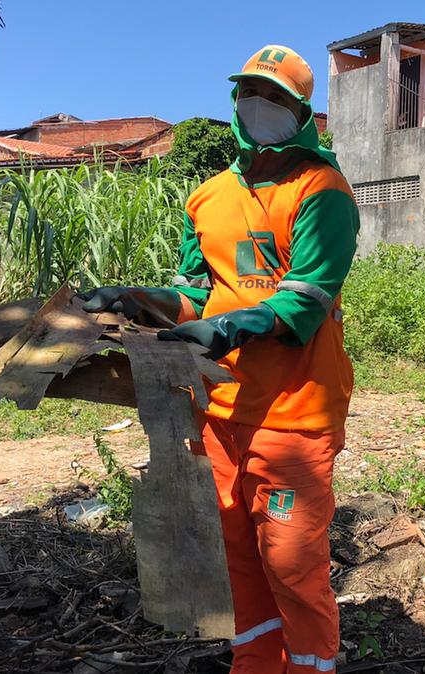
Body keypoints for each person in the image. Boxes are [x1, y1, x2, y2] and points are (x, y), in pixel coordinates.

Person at [81, 44, 358, 673]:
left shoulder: (322, 191)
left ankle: (312, 666)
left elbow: (305, 302)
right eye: (249, 93)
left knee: (292, 563)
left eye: (276, 97)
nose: (259, 106)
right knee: (235, 555)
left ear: (302, 111)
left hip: (295, 409)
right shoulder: (207, 198)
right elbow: (195, 294)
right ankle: (255, 662)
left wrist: (224, 331)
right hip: (221, 406)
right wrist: (139, 300)